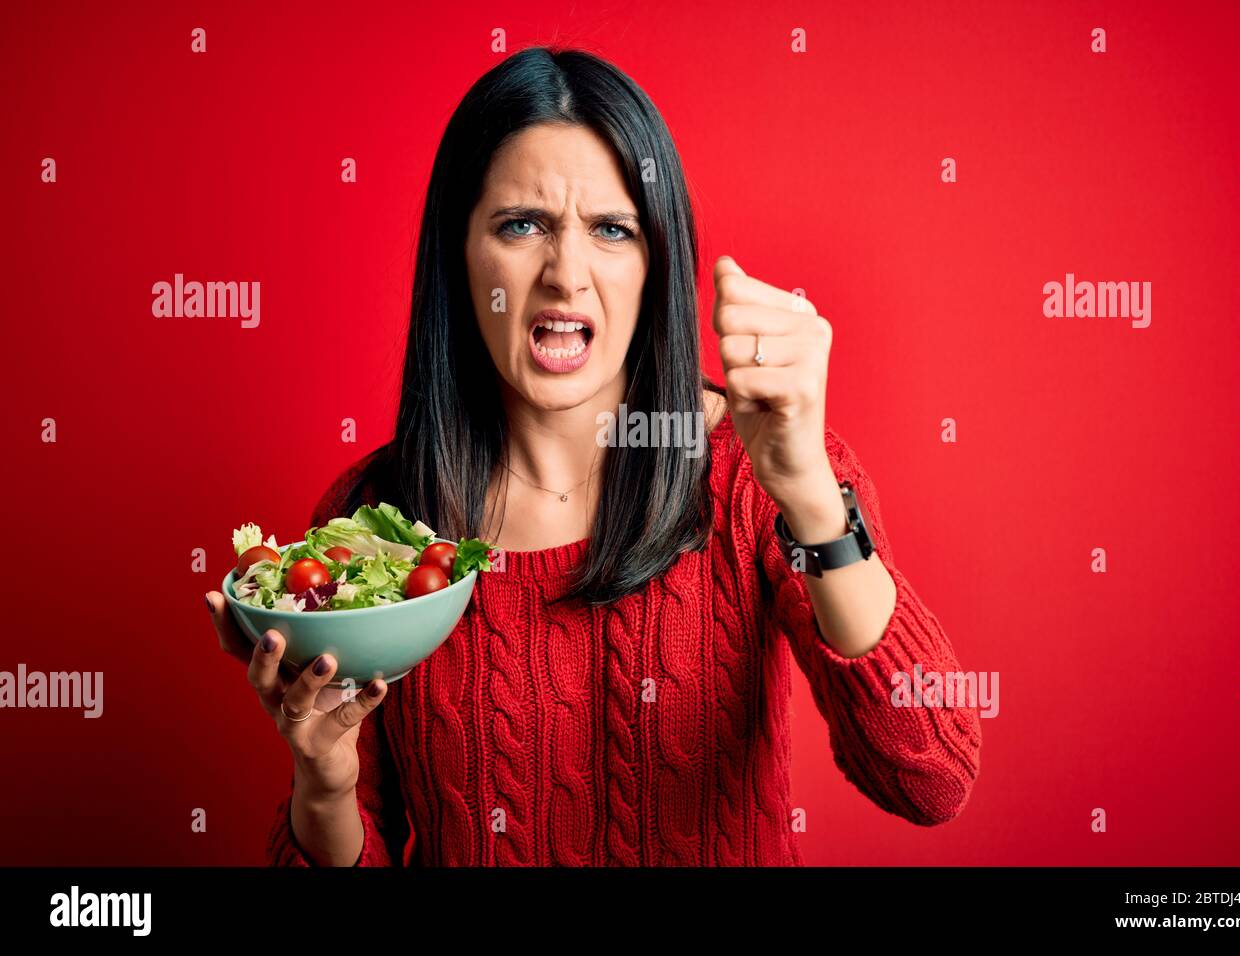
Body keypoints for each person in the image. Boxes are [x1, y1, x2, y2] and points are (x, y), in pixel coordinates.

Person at [204, 45, 981, 866]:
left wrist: (812, 498)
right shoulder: (373, 526)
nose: (566, 275)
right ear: (460, 254)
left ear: (656, 264)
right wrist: (321, 785)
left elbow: (930, 779)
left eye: (613, 230)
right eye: (521, 225)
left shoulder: (759, 472)